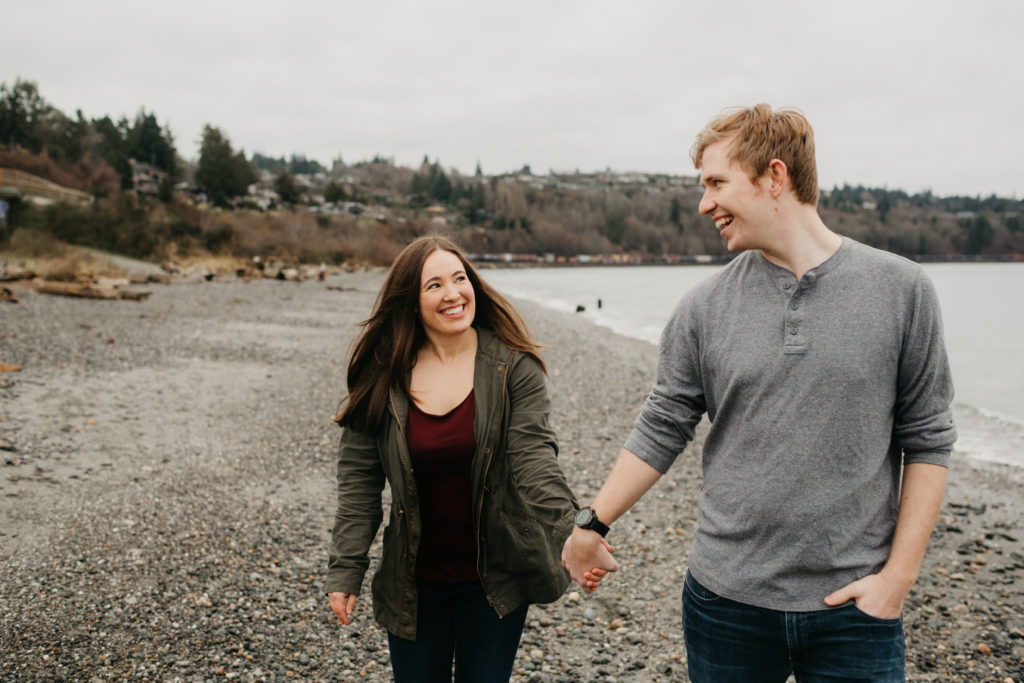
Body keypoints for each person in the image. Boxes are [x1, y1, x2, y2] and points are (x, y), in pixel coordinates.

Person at [561, 104, 957, 682]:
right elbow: (664, 423)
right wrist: (591, 524)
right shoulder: (702, 307)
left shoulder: (903, 290)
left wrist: (899, 578)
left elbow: (928, 439)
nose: (704, 204)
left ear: (775, 177)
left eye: (717, 183)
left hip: (855, 609)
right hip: (725, 604)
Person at [326, 234, 578, 682]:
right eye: (434, 285)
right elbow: (359, 484)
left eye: (460, 279)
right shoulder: (381, 375)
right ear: (410, 301)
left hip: (496, 576)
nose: (453, 293)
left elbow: (535, 458)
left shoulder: (511, 367)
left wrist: (575, 531)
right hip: (413, 580)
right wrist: (347, 568)